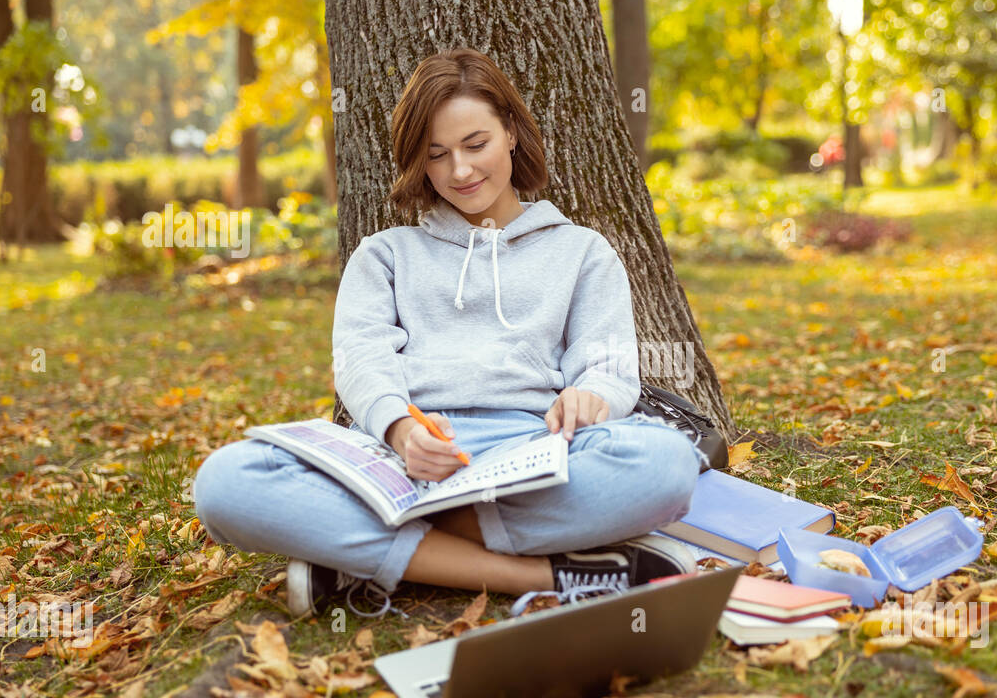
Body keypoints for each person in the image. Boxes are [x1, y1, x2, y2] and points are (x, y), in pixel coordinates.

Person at [192, 47, 704, 620]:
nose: (460, 171)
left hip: (529, 458)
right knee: (225, 482)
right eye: (437, 155)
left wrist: (591, 399)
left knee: (667, 465)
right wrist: (400, 429)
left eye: (475, 144)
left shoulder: (582, 250)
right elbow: (362, 359)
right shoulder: (384, 255)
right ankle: (539, 574)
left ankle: (364, 553)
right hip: (405, 459)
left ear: (511, 132)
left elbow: (607, 368)